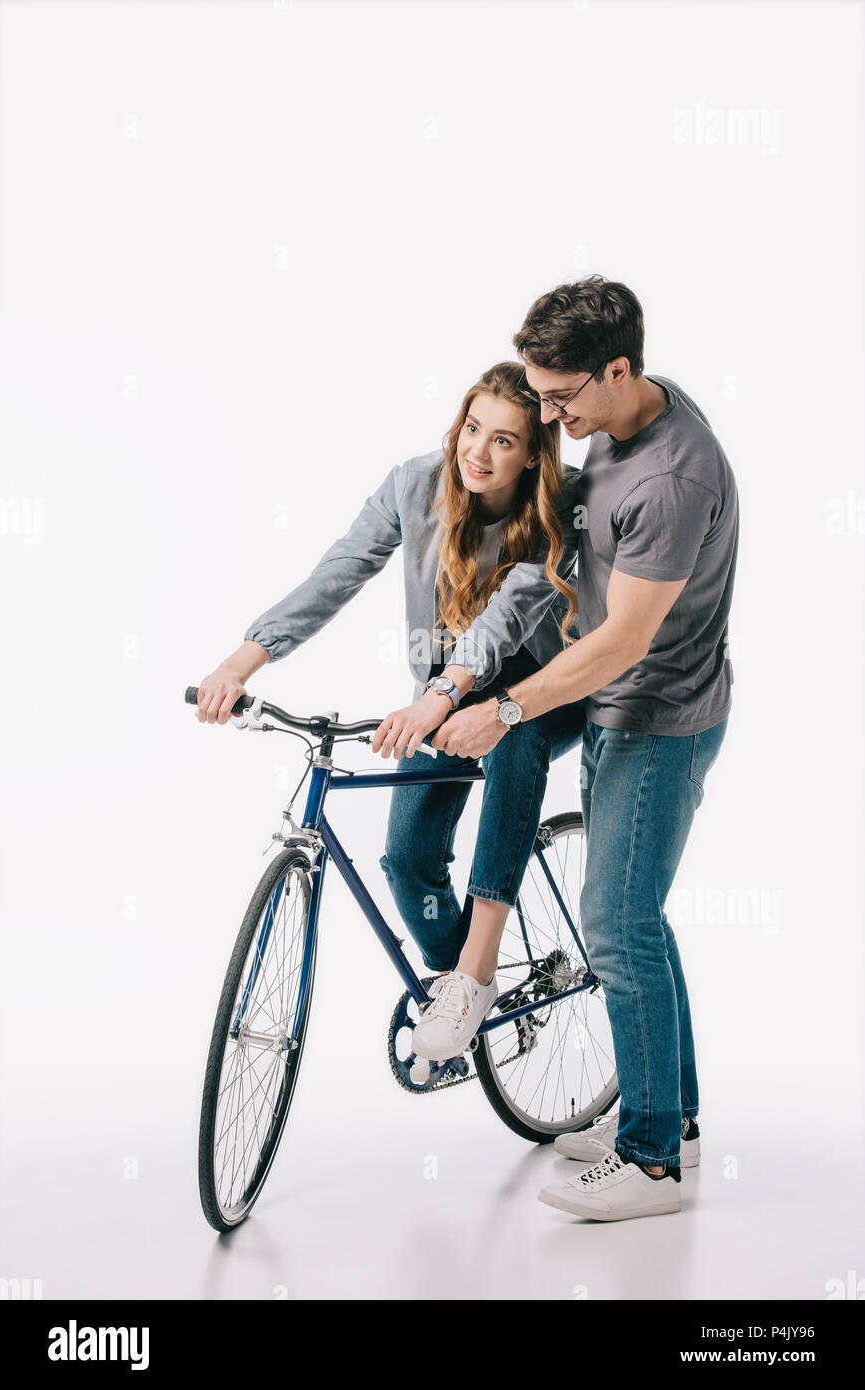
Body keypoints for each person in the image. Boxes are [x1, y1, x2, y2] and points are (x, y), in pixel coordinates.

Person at [430, 278, 738, 1222]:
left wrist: (505, 709)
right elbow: (554, 571)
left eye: (562, 398)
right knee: (638, 917)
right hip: (604, 692)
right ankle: (669, 1117)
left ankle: (650, 1167)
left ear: (618, 369)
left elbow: (621, 643)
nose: (551, 419)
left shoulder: (670, 477)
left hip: (654, 715)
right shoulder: (620, 415)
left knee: (615, 924)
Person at [194, 361, 586, 1078]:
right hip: (445, 700)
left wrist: (440, 695)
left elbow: (505, 621)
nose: (476, 451)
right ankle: (464, 996)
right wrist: (241, 663)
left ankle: (473, 973)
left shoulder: (555, 513)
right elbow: (338, 572)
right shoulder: (413, 485)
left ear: (533, 452)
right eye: (472, 428)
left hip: (535, 697)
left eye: (502, 440)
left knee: (515, 743)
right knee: (406, 860)